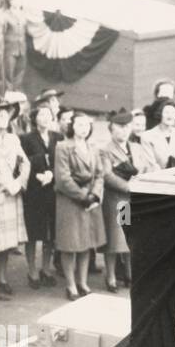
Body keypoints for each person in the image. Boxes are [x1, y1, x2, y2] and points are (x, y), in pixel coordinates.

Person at [54, 110, 106, 300]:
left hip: (90, 201)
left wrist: (94, 195)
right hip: (70, 201)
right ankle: (70, 285)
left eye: (86, 125)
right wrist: (83, 196)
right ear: (71, 126)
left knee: (86, 243)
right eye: (79, 124)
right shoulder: (63, 146)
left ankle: (83, 282)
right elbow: (63, 178)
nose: (83, 129)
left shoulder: (93, 147)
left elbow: (100, 174)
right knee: (70, 244)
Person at [99, 110, 148, 292]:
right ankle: (111, 276)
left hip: (131, 200)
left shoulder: (136, 147)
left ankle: (128, 273)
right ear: (111, 129)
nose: (124, 131)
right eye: (120, 127)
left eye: (127, 127)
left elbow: (144, 167)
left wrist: (140, 181)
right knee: (114, 239)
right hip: (116, 198)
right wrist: (129, 186)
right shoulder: (105, 150)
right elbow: (106, 175)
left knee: (128, 237)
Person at [20, 101, 61, 287]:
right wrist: (37, 173)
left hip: (52, 190)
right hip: (34, 191)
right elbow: (22, 161)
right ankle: (31, 270)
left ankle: (46, 268)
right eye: (41, 114)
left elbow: (61, 160)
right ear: (35, 118)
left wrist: (51, 172)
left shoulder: (57, 137)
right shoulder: (26, 138)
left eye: (48, 114)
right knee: (33, 231)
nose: (45, 118)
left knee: (50, 233)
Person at [0, 99, 30, 300]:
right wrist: (2, 185)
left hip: (11, 195)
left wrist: (18, 183)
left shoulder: (13, 139)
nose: (2, 116)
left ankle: (1, 279)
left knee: (6, 243)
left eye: (5, 113)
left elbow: (25, 163)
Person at [139, 100, 175, 171]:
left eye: (173, 112)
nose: (170, 115)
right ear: (160, 114)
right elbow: (152, 164)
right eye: (166, 112)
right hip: (158, 178)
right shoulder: (147, 136)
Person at [0, 0, 27, 94]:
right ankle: (9, 95)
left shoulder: (24, 15)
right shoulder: (5, 15)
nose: (18, 2)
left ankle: (17, 95)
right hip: (10, 50)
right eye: (16, 0)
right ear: (11, 2)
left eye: (19, 0)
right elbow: (0, 33)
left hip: (22, 49)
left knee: (20, 74)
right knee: (9, 75)